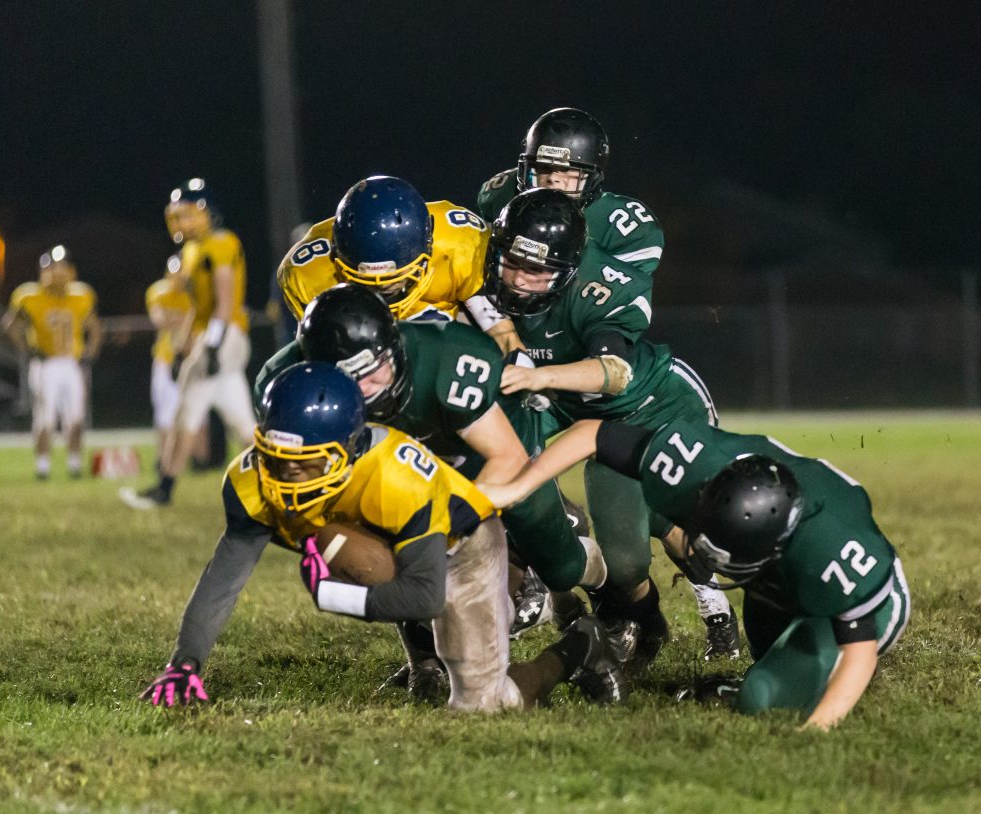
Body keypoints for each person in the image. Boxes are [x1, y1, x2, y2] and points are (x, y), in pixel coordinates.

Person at [140, 362, 626, 710]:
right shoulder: (251, 483)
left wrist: (333, 595)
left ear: (349, 450)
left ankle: (580, 645)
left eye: (307, 465)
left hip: (463, 547)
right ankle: (426, 659)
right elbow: (221, 579)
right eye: (275, 460)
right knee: (347, 545)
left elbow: (424, 595)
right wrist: (185, 663)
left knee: (486, 704)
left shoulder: (395, 477)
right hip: (392, 540)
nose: (287, 481)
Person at [478, 416, 911, 730]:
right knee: (766, 651)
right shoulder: (702, 465)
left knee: (761, 699)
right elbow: (595, 433)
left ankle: (772, 679)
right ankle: (782, 661)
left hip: (865, 602)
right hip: (777, 573)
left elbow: (859, 649)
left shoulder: (831, 547)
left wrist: (814, 732)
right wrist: (518, 487)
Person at [254, 285, 606, 650]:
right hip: (410, 474)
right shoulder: (293, 388)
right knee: (421, 571)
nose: (369, 388)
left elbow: (506, 456)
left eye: (374, 370)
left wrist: (449, 529)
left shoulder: (447, 357)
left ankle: (613, 594)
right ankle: (426, 659)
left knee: (562, 567)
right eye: (349, 381)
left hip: (485, 457)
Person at [482, 188, 740, 662]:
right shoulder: (488, 264)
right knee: (619, 561)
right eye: (512, 261)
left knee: (691, 522)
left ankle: (720, 610)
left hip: (647, 408)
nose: (518, 279)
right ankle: (629, 616)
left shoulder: (599, 286)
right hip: (574, 409)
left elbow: (614, 375)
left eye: (536, 271)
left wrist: (537, 375)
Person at [121, 178, 256, 509]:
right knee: (242, 422)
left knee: (187, 407)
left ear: (206, 212)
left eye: (186, 214)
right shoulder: (192, 250)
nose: (179, 222)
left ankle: (164, 487)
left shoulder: (220, 243)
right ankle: (279, 479)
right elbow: (198, 305)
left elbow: (224, 303)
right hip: (215, 337)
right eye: (176, 215)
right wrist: (185, 342)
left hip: (225, 336)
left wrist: (210, 345)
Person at [276, 175, 520, 352]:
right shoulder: (307, 271)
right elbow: (315, 361)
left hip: (448, 344)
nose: (382, 290)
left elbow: (502, 333)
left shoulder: (458, 243)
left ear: (429, 244)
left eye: (393, 280)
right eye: (368, 283)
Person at [478, 107, 664, 279]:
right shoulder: (502, 194)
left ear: (592, 176)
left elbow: (618, 296)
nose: (553, 178)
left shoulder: (623, 227)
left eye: (567, 170)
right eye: (543, 168)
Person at [1, 245, 101, 479]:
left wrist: (89, 355)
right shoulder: (29, 295)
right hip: (45, 364)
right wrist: (26, 350)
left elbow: (95, 328)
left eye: (62, 268)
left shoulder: (81, 294)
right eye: (52, 268)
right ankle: (43, 467)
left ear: (71, 271)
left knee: (76, 417)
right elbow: (10, 324)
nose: (57, 274)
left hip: (71, 363)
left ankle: (75, 464)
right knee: (45, 419)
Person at [144, 254, 193, 465]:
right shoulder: (159, 292)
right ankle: (162, 457)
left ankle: (180, 458)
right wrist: (183, 320)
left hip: (186, 360)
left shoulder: (193, 295)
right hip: (164, 359)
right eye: (175, 273)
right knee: (163, 410)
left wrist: (177, 320)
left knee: (181, 412)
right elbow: (159, 320)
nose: (178, 278)